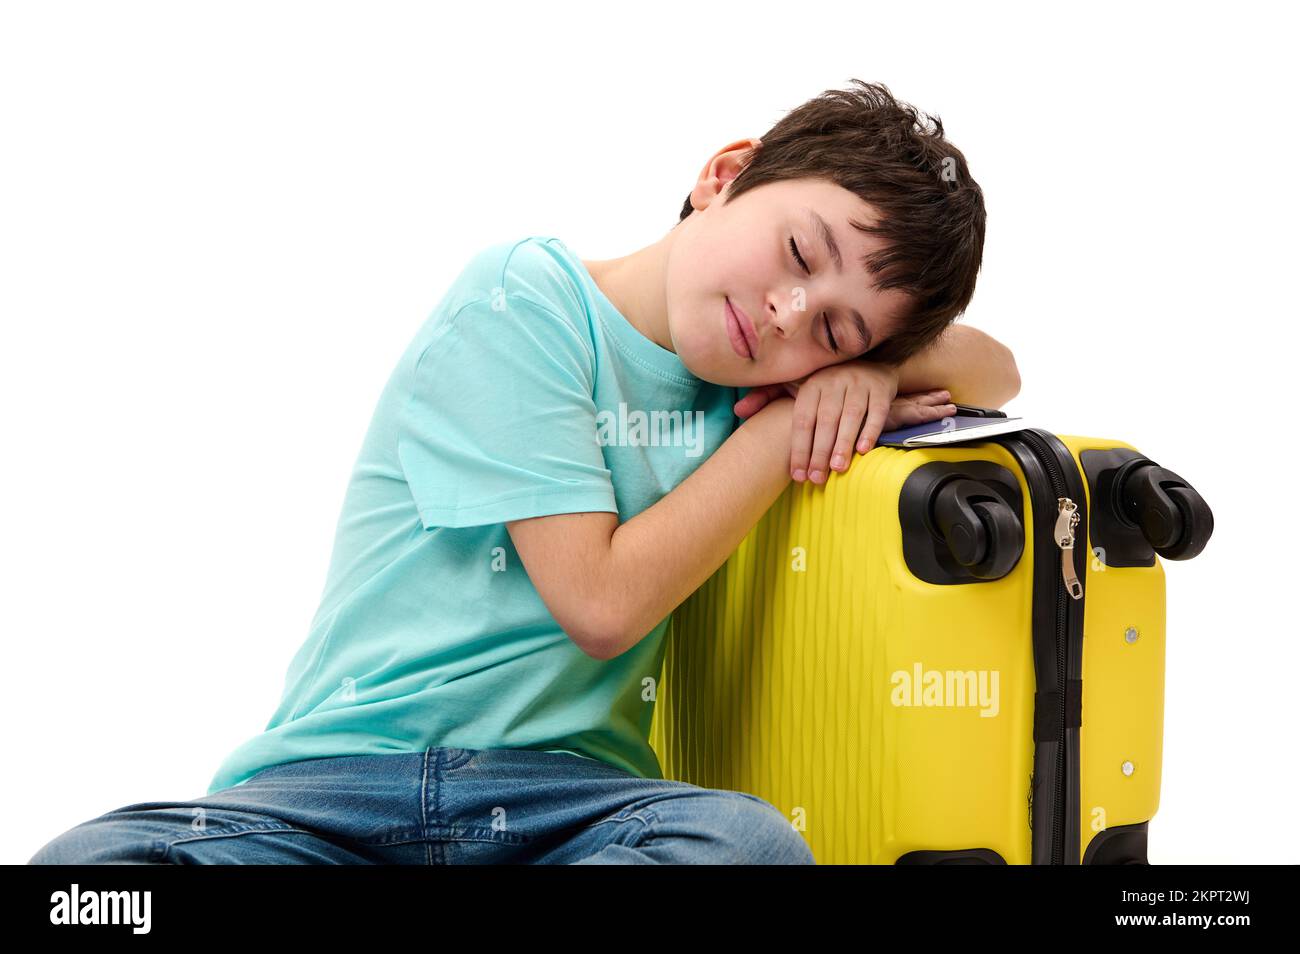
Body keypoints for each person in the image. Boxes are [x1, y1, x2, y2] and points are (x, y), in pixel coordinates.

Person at [29, 80, 1016, 865]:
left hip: (566, 808)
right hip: (328, 796)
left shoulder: (757, 380)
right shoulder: (523, 297)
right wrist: (779, 431)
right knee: (93, 875)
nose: (787, 314)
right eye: (800, 250)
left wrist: (873, 365)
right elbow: (600, 602)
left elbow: (999, 367)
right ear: (726, 172)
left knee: (748, 845)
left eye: (832, 331)